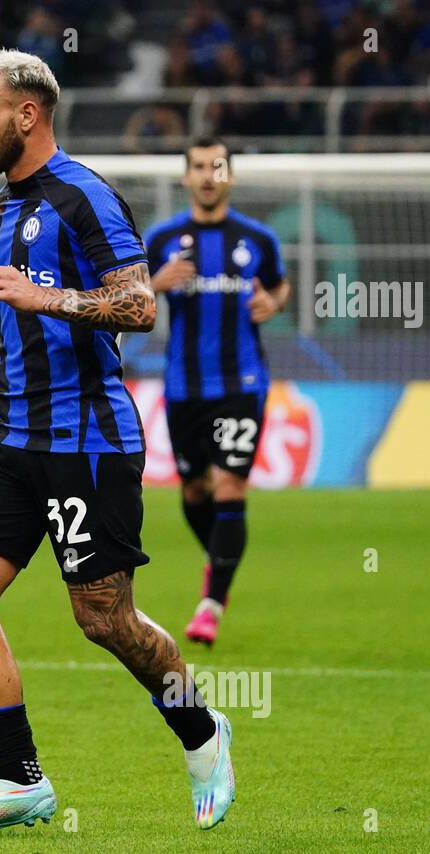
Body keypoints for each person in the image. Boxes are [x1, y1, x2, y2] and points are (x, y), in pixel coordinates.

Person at [0, 50, 235, 837]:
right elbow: (13, 320)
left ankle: (201, 731)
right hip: (13, 434)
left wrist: (47, 294)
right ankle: (18, 779)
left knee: (104, 619)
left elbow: (138, 307)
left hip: (87, 439)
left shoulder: (85, 195)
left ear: (26, 115)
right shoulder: (2, 208)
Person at [146, 137, 291, 647]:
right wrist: (156, 284)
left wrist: (273, 303)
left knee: (230, 487)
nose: (208, 176)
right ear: (186, 177)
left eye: (217, 167)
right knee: (195, 492)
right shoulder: (162, 239)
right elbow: (130, 296)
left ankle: (210, 604)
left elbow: (278, 285)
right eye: (199, 167)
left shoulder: (257, 238)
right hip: (184, 386)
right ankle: (221, 563)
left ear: (230, 176)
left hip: (241, 384)